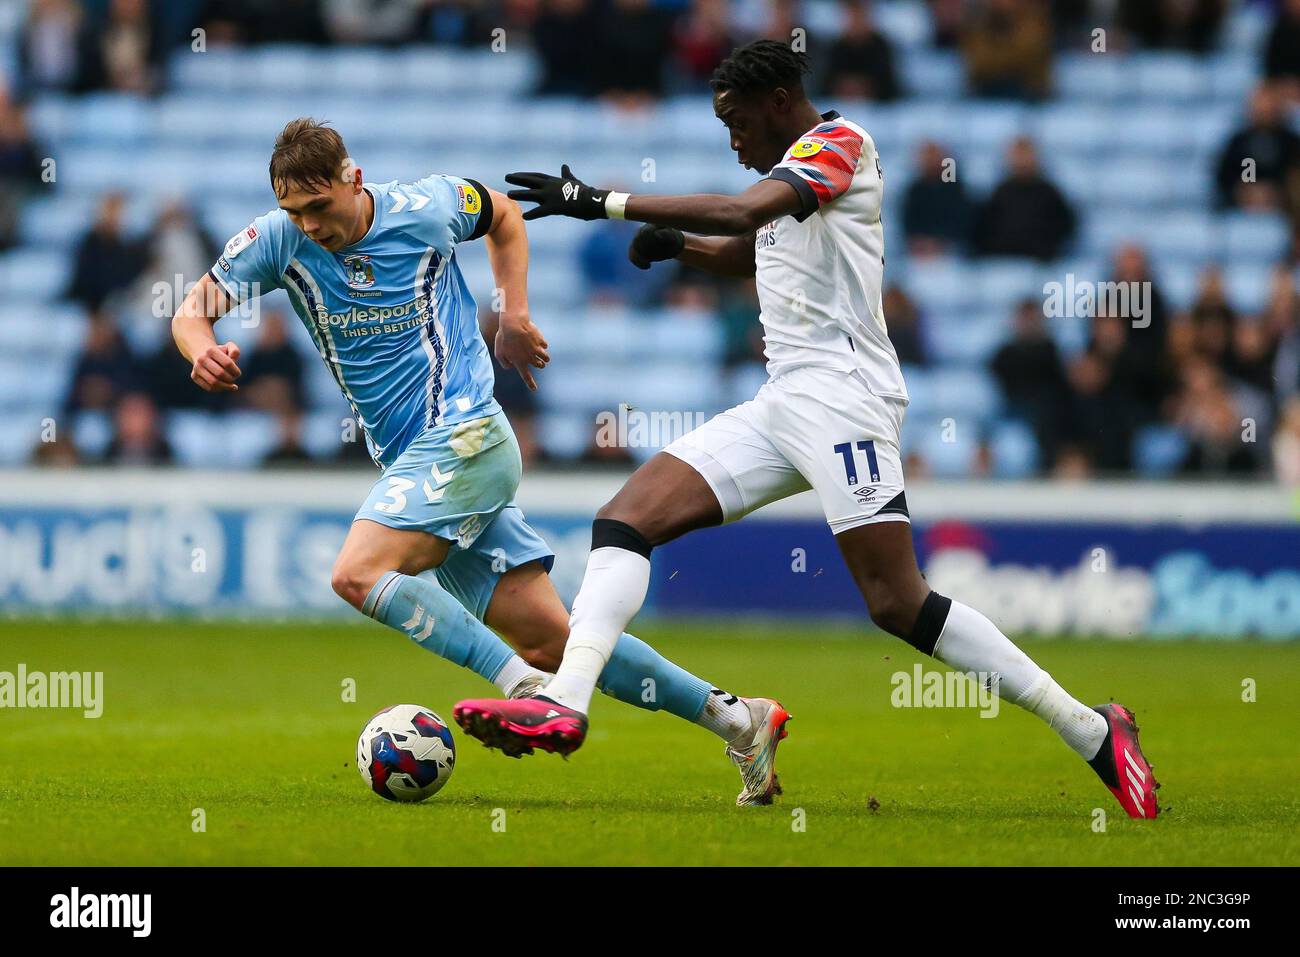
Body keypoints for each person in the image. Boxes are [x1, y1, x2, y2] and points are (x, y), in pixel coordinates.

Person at [457, 40, 1161, 820]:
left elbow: (746, 211)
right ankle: (567, 702)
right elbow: (756, 248)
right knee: (622, 520)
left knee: (896, 601)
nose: (731, 140)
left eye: (734, 121)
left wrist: (609, 202)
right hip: (784, 399)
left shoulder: (838, 144)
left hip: (845, 398)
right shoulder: (791, 180)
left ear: (777, 101)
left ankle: (1094, 730)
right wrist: (683, 249)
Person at [169, 118, 784, 805]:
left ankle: (522, 689)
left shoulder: (423, 208)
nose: (309, 226)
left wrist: (513, 314)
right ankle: (740, 717)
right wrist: (201, 348)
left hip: (468, 437)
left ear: (354, 180)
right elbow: (191, 309)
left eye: (319, 207)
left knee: (356, 571)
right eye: (294, 211)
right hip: (415, 462)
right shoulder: (277, 240)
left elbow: (503, 212)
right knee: (559, 639)